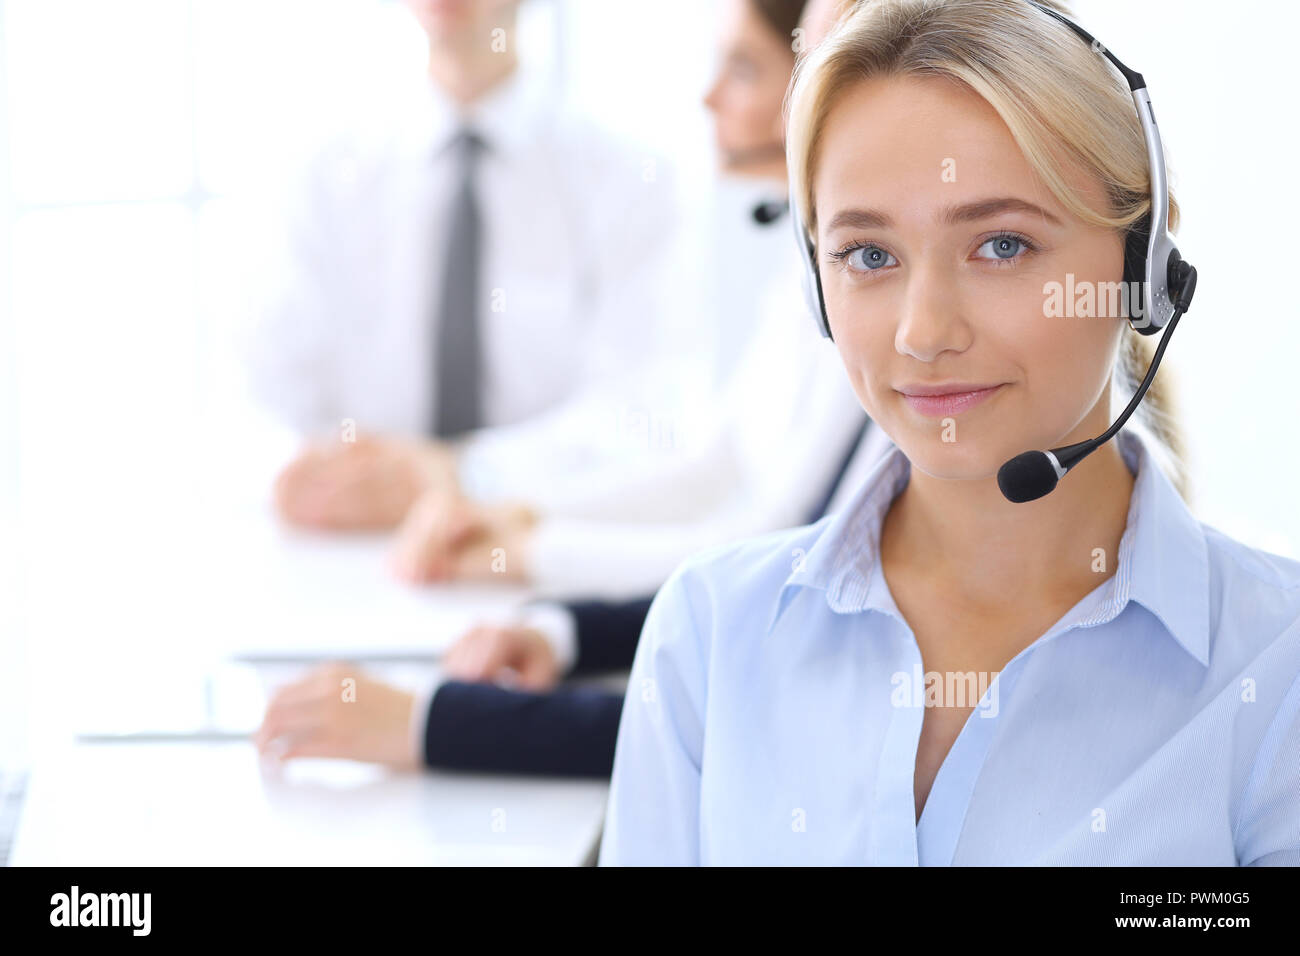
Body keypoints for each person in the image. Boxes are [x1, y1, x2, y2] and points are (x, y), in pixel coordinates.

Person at [599, 0, 1300, 865]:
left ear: (1143, 263)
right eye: (868, 255)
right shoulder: (709, 634)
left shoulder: (1279, 669)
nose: (922, 334)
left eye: (1002, 246)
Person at [254, 0, 878, 774]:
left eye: (750, 70)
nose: (708, 100)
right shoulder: (806, 280)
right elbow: (725, 480)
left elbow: (759, 548)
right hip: (373, 579)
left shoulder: (628, 179)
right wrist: (532, 562)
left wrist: (512, 539)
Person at [245, 0, 682, 530]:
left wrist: (461, 474)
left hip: (542, 539)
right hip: (343, 548)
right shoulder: (322, 176)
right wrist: (318, 472)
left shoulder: (626, 180)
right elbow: (263, 397)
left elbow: (638, 412)